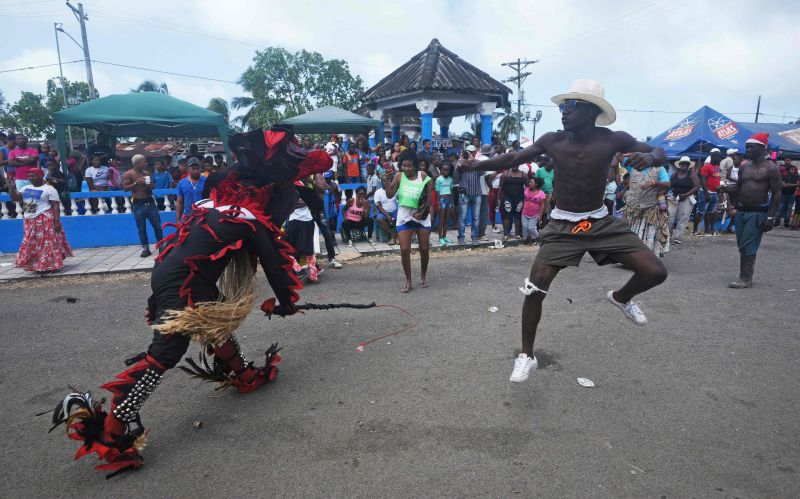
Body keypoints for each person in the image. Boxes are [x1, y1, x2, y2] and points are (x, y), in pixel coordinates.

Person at [46, 127, 335, 476]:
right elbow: (277, 268)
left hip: (172, 275)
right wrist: (286, 305)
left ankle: (244, 374)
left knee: (213, 319)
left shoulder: (209, 205)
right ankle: (112, 429)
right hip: (183, 282)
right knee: (166, 352)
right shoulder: (249, 220)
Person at [461, 79, 668, 382]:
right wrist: (477, 166)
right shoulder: (552, 140)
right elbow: (513, 158)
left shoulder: (613, 140)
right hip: (564, 224)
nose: (563, 112)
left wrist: (650, 157)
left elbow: (660, 151)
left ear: (591, 111)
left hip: (598, 221)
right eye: (562, 107)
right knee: (535, 288)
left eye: (570, 106)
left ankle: (621, 298)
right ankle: (527, 355)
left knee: (656, 272)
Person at [725, 133, 781, 288]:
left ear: (762, 148)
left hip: (757, 212)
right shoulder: (744, 167)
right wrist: (724, 189)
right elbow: (738, 187)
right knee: (742, 244)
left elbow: (777, 194)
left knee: (748, 245)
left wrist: (771, 217)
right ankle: (745, 275)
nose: (747, 149)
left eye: (751, 147)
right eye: (747, 147)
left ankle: (746, 278)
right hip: (741, 211)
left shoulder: (771, 168)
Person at [384, 150, 432, 292]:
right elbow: (390, 194)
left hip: (421, 216)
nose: (406, 169)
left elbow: (428, 196)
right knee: (405, 249)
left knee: (424, 248)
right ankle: (408, 280)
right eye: (404, 166)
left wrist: (421, 212)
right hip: (404, 215)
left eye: (409, 166)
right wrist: (386, 181)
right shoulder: (399, 176)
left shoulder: (423, 176)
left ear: (415, 165)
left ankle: (423, 275)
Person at [7, 168, 72, 273]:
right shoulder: (26, 188)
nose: (30, 178)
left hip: (44, 218)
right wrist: (11, 188)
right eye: (29, 176)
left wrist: (56, 221)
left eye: (33, 176)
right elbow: (16, 198)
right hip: (29, 220)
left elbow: (56, 206)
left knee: (47, 243)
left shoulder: (49, 189)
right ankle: (38, 265)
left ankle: (48, 266)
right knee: (32, 243)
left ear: (40, 176)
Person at [621, 157, 671, 257]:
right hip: (633, 209)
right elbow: (619, 158)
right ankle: (631, 257)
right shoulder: (632, 167)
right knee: (632, 234)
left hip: (651, 210)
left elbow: (667, 185)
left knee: (649, 235)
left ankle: (647, 258)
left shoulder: (660, 169)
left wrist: (654, 183)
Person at [124, 154, 163, 257]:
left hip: (150, 201)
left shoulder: (146, 173)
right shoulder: (129, 174)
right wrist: (136, 183)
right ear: (137, 163)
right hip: (138, 203)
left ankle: (161, 246)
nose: (146, 163)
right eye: (144, 161)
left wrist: (150, 186)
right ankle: (145, 248)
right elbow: (125, 188)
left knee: (158, 226)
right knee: (141, 228)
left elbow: (152, 186)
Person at [285, 196, 320, 282]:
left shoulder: (290, 191)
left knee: (284, 247)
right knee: (308, 249)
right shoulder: (306, 191)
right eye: (298, 198)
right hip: (308, 221)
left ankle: (299, 271)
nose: (300, 200)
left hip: (295, 221)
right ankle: (313, 275)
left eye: (301, 198)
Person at [667, 156, 700, 245]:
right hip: (674, 198)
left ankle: (678, 238)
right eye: (683, 164)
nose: (684, 166)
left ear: (689, 166)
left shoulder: (692, 175)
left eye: (686, 164)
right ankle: (667, 236)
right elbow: (670, 185)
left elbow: (696, 186)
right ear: (679, 165)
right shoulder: (674, 175)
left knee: (682, 218)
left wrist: (686, 195)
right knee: (670, 217)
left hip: (687, 198)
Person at [456, 144, 483, 245]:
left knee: (476, 217)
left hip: (476, 193)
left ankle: (474, 237)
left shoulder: (478, 162)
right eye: (468, 152)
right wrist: (460, 161)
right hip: (464, 193)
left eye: (471, 152)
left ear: (475, 153)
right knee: (462, 217)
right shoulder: (461, 163)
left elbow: (482, 173)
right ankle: (461, 237)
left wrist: (473, 161)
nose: (469, 154)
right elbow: (455, 176)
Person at [693, 150, 722, 236]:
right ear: (713, 157)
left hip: (715, 192)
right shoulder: (706, 167)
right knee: (700, 211)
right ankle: (695, 230)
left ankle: (707, 230)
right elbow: (703, 180)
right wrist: (706, 193)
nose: (720, 159)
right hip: (706, 192)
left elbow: (716, 179)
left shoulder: (717, 167)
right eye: (719, 157)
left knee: (710, 212)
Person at [498, 164, 526, 241]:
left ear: (519, 165)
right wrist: (498, 199)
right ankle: (506, 234)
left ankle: (517, 234)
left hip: (519, 197)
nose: (515, 166)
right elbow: (500, 187)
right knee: (507, 216)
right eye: (513, 164)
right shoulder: (505, 174)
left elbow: (527, 187)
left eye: (517, 164)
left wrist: (527, 198)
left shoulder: (523, 175)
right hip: (507, 197)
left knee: (518, 216)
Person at [374, 173, 399, 245]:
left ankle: (397, 237)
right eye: (384, 181)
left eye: (388, 181)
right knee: (380, 219)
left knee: (402, 218)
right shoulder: (378, 192)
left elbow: (400, 202)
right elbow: (379, 206)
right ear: (381, 182)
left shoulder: (395, 191)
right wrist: (387, 215)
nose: (386, 183)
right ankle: (393, 236)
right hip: (383, 212)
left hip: (394, 211)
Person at [521, 177, 546, 244]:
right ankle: (526, 240)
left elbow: (542, 205)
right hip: (525, 213)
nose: (529, 183)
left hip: (535, 215)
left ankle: (537, 239)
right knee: (525, 227)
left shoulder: (541, 193)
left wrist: (540, 215)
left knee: (531, 228)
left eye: (531, 182)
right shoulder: (526, 189)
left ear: (536, 184)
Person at [435, 162, 455, 246]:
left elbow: (451, 191)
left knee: (446, 220)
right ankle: (440, 238)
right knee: (441, 220)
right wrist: (438, 203)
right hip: (442, 200)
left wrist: (453, 203)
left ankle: (445, 236)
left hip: (449, 200)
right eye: (444, 170)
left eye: (447, 170)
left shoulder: (450, 179)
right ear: (441, 170)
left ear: (449, 171)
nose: (446, 171)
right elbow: (437, 192)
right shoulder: (439, 179)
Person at [777, 160, 798, 227]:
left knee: (789, 209)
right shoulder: (784, 176)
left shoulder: (797, 176)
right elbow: (784, 185)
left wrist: (789, 184)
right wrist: (794, 185)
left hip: (791, 194)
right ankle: (777, 222)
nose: (793, 170)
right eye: (792, 169)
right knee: (780, 208)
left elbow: (798, 184)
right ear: (788, 170)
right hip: (783, 193)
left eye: (794, 169)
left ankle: (786, 222)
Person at [535, 155, 555, 224]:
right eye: (550, 164)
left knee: (545, 212)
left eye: (552, 165)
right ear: (546, 162)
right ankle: (536, 225)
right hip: (539, 193)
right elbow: (535, 181)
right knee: (537, 210)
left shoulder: (553, 171)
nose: (551, 166)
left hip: (548, 194)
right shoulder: (540, 170)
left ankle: (543, 226)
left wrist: (553, 195)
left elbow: (554, 183)